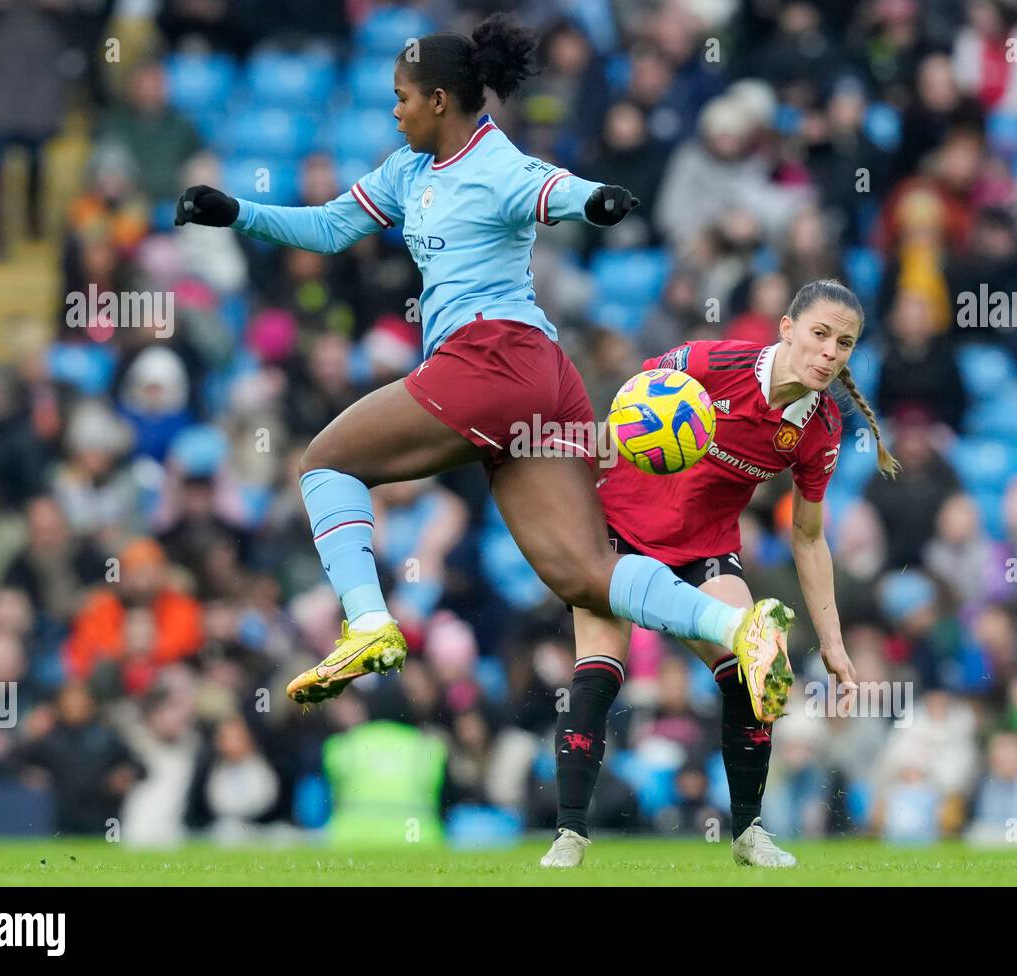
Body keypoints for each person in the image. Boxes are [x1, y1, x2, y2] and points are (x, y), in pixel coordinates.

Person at [174, 16, 794, 717]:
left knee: (325, 463)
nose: (394, 109)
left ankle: (370, 623)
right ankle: (740, 628)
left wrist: (596, 201)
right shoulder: (407, 169)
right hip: (540, 380)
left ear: (440, 100)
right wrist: (235, 213)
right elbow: (330, 226)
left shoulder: (495, 161)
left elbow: (553, 188)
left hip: (490, 360)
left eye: (402, 96)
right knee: (585, 575)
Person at [540, 279, 900, 869]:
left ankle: (747, 832)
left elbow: (807, 537)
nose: (830, 352)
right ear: (786, 328)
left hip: (703, 548)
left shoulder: (820, 428)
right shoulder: (710, 362)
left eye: (844, 343)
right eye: (819, 334)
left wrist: (832, 644)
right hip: (617, 533)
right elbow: (631, 404)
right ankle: (570, 834)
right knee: (598, 674)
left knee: (751, 671)